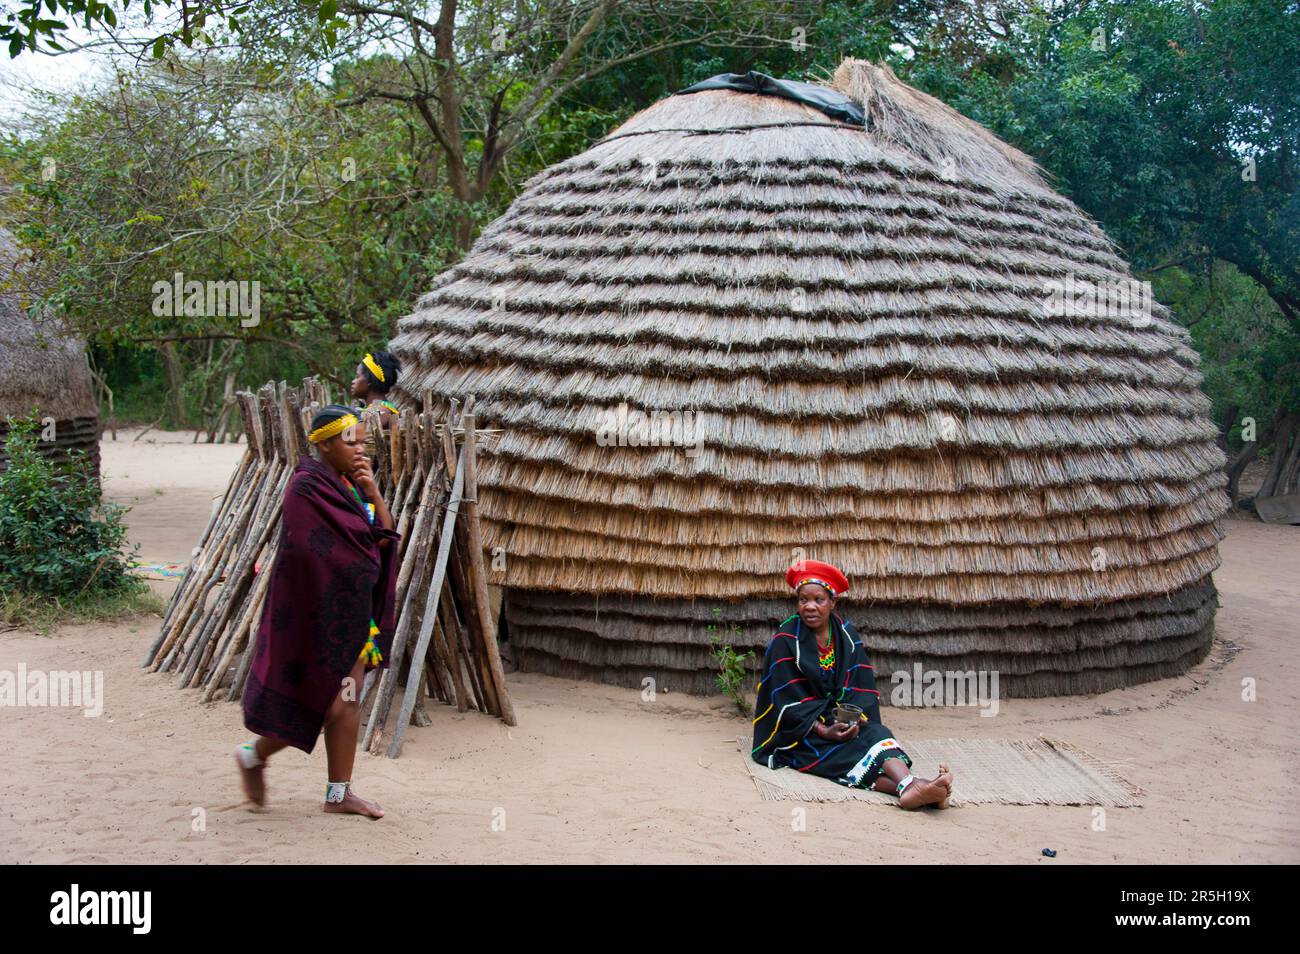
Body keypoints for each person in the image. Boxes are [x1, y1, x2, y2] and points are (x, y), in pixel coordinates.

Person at [234, 405, 401, 818]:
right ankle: (253, 754)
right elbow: (311, 552)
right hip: (316, 616)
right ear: (324, 444)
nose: (360, 449)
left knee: (346, 700)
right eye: (351, 441)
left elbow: (382, 537)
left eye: (363, 441)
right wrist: (360, 555)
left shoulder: (350, 486)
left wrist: (374, 493)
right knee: (316, 701)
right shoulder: (305, 489)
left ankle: (338, 794)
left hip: (352, 615)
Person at [751, 559, 953, 809]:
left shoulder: (846, 635)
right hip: (800, 733)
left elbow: (862, 688)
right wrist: (823, 730)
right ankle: (919, 786)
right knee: (844, 752)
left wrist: (850, 721)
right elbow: (782, 700)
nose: (810, 607)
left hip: (841, 720)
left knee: (877, 734)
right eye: (803, 600)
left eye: (819, 600)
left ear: (833, 602)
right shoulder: (785, 640)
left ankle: (911, 787)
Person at [350, 350, 402, 428]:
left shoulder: (381, 410)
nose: (353, 381)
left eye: (357, 376)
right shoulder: (373, 408)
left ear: (370, 381)